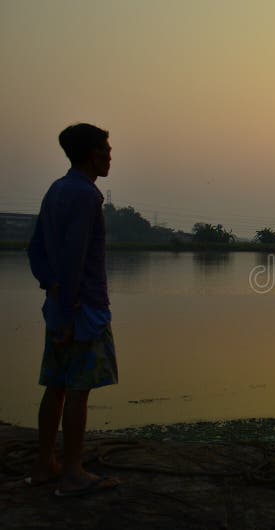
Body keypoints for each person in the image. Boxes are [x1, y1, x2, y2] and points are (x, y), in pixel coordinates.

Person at [26, 123, 120, 496]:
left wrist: (53, 290)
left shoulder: (56, 190)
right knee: (78, 390)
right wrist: (69, 312)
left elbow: (36, 251)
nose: (111, 156)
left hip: (59, 305)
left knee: (56, 386)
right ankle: (72, 473)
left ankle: (45, 463)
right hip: (82, 310)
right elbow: (75, 258)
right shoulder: (85, 196)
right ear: (91, 155)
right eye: (106, 150)